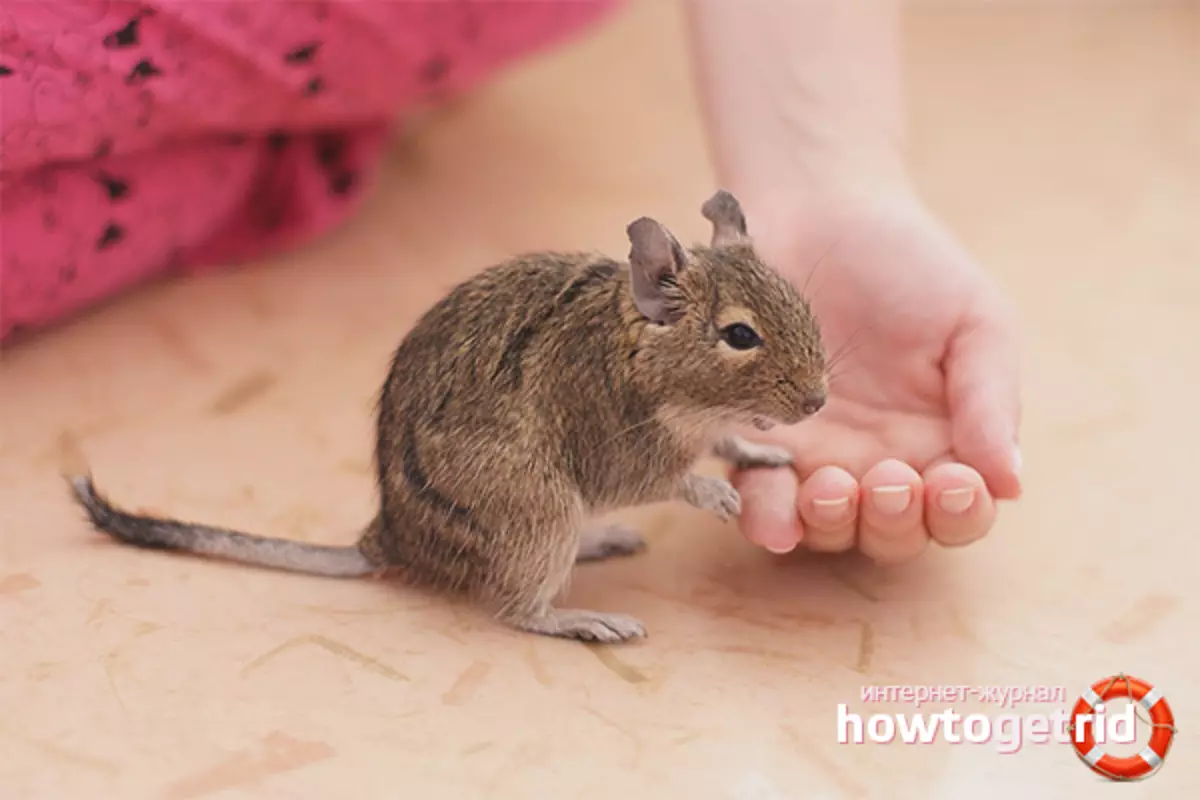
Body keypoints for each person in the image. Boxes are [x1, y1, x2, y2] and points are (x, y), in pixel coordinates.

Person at [0, 0, 1020, 562]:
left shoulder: (661, 362)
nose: (812, 391)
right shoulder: (639, 375)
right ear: (660, 297)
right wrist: (706, 480)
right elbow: (636, 463)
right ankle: (528, 605)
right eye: (749, 346)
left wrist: (822, 172)